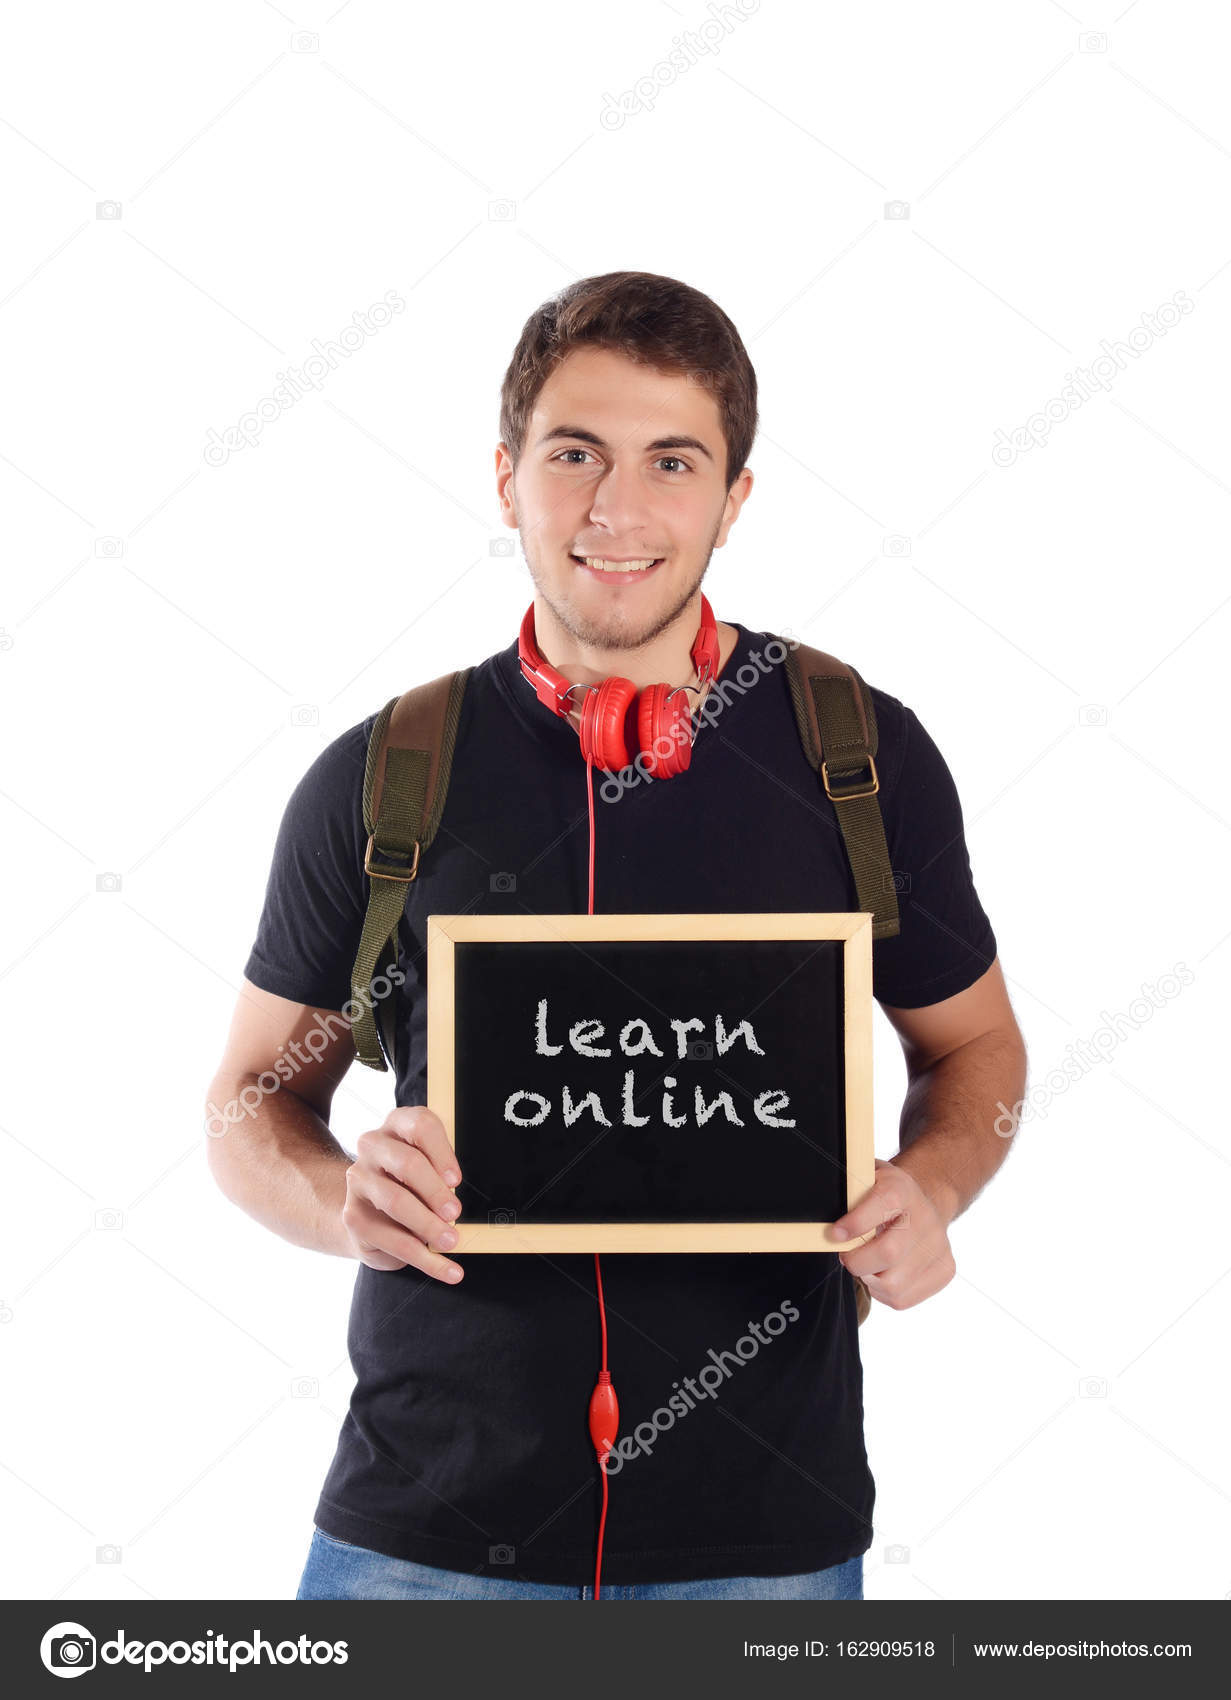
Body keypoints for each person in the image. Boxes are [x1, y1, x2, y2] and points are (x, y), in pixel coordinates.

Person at [205, 271, 1028, 1602]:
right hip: (423, 1532)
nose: (617, 511)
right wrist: (337, 1197)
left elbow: (976, 1042)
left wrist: (932, 1187)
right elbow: (249, 1100)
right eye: (575, 454)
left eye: (672, 462)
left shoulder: (855, 759)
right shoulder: (384, 778)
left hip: (766, 1535)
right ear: (506, 475)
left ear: (734, 499)